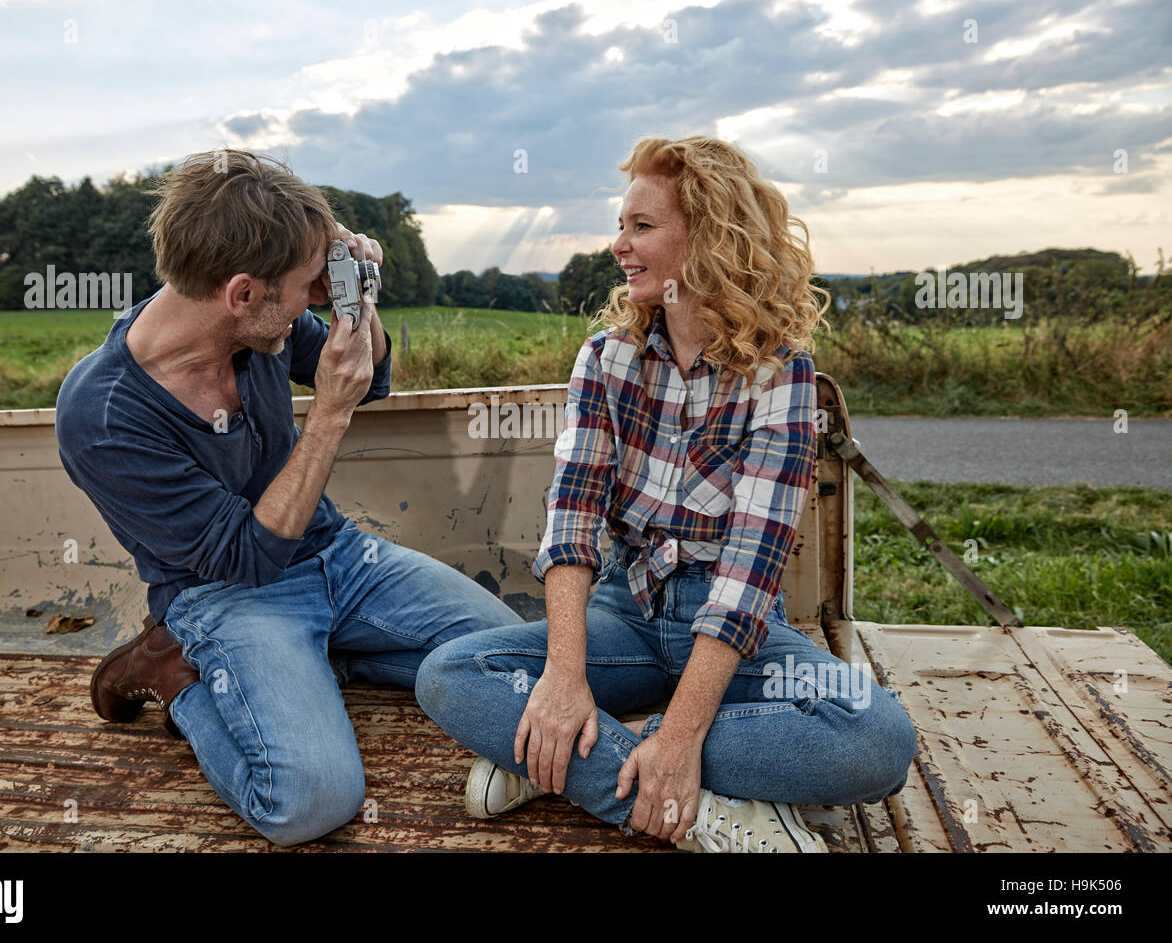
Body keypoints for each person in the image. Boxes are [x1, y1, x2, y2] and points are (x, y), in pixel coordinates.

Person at [416, 135, 917, 853]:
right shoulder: (604, 359)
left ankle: (557, 760)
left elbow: (749, 575)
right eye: (622, 225)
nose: (619, 245)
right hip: (627, 610)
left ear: (709, 237)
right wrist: (562, 680)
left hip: (735, 635)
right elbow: (573, 521)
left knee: (875, 739)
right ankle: (708, 814)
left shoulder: (782, 377)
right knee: (453, 672)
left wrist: (678, 738)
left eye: (641, 226)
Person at [55, 149, 521, 846]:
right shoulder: (104, 413)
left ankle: (316, 660)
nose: (313, 302)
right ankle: (176, 677)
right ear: (242, 293)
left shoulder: (257, 324)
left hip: (334, 552)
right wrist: (328, 414)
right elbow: (249, 555)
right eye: (309, 286)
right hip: (226, 591)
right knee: (310, 802)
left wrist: (357, 299)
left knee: (514, 658)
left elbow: (379, 374)